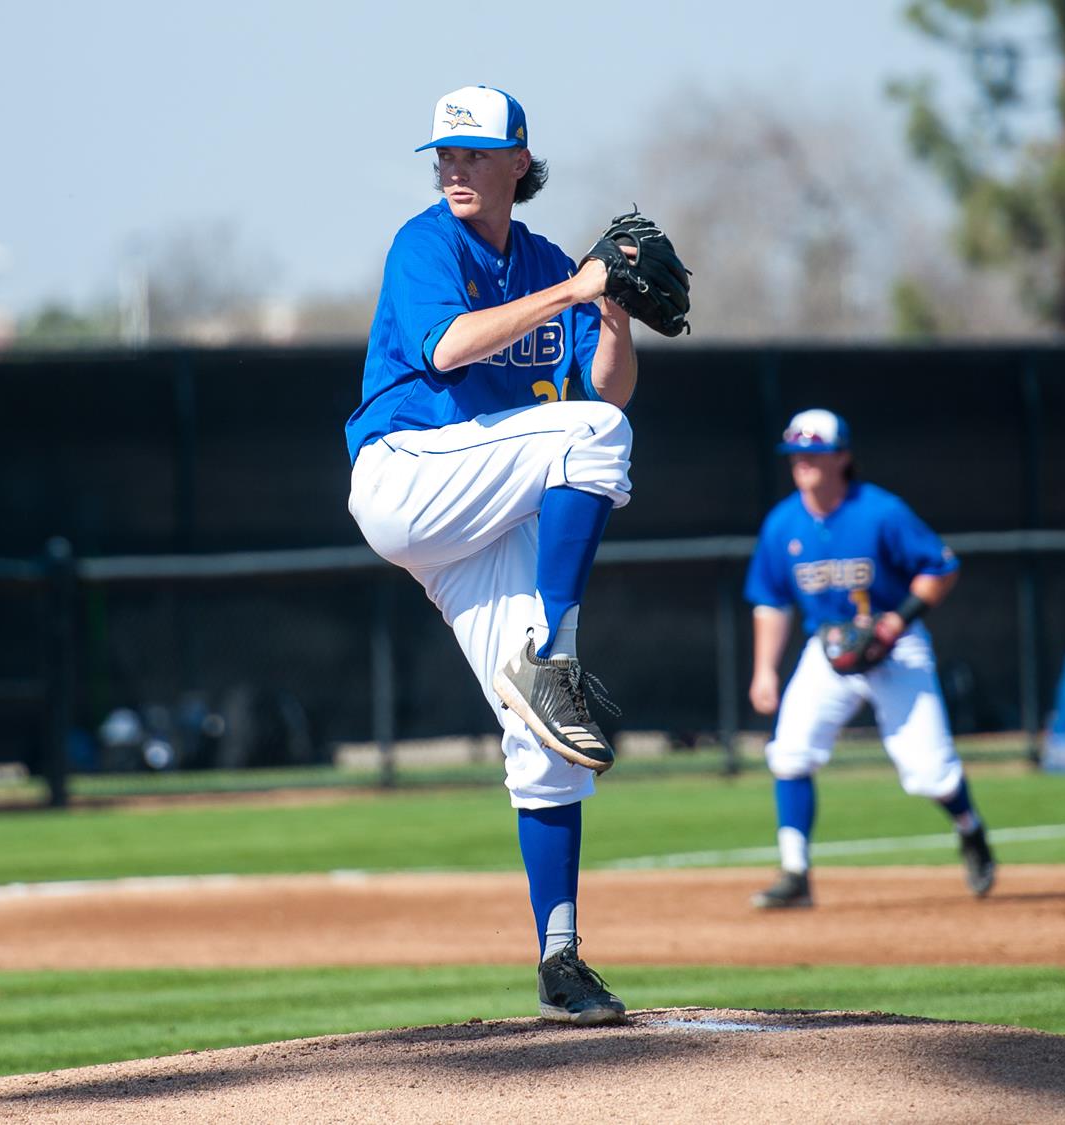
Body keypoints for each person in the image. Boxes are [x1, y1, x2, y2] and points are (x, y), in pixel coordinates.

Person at [346, 85, 638, 1025]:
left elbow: (610, 389)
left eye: (473, 153)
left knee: (546, 738)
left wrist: (617, 311)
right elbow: (449, 348)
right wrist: (574, 289)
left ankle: (560, 957)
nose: (454, 169)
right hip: (404, 472)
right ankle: (558, 651)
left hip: (474, 508)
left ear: (519, 160)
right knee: (585, 438)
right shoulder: (424, 243)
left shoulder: (548, 258)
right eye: (445, 154)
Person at [742, 409, 996, 909]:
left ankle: (971, 828)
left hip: (895, 646)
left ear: (843, 456)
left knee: (929, 772)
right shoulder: (783, 523)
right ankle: (795, 872)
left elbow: (940, 569)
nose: (804, 463)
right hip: (828, 651)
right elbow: (770, 602)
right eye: (796, 455)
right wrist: (764, 669)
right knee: (790, 752)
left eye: (815, 453)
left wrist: (897, 620)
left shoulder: (881, 512)